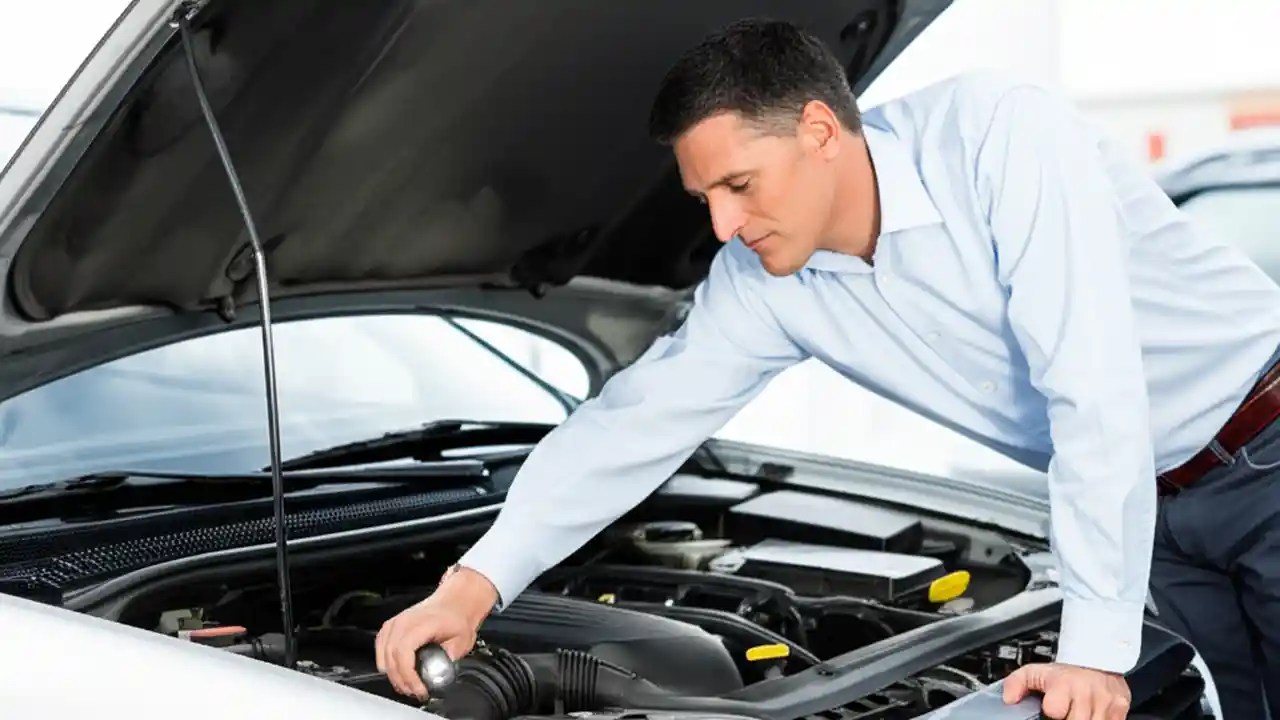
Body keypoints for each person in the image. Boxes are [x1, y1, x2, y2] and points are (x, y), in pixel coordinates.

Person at [376, 18, 1280, 719]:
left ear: (818, 129)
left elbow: (1092, 388)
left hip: (1264, 445)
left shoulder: (1000, 137)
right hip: (1153, 505)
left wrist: (1090, 648)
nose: (723, 227)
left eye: (739, 186)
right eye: (704, 201)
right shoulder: (764, 280)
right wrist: (471, 587)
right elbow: (632, 423)